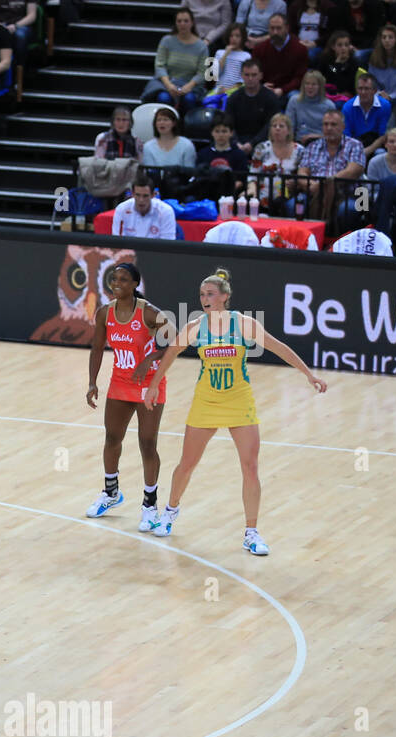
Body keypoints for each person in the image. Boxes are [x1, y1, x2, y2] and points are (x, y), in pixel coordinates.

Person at [144, 268, 327, 555]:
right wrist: (154, 384)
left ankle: (251, 533)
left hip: (239, 402)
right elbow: (171, 353)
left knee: (250, 466)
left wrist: (308, 374)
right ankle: (170, 511)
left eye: (210, 294)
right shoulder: (195, 327)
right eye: (202, 294)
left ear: (225, 297)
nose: (205, 299)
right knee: (187, 464)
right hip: (206, 401)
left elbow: (280, 348)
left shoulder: (243, 324)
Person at [84, 263, 171, 531]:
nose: (117, 282)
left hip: (149, 384)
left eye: (123, 279)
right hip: (121, 383)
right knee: (112, 438)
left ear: (135, 284)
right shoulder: (104, 313)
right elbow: (97, 348)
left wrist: (151, 359)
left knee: (147, 442)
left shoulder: (148, 312)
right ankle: (111, 493)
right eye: (114, 278)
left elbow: (174, 338)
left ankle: (150, 505)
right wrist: (91, 382)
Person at [299, 107, 365, 219]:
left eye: (333, 124)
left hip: (350, 194)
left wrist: (323, 184)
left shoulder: (355, 145)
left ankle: (319, 228)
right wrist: (312, 186)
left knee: (348, 209)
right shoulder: (312, 146)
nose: (329, 128)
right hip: (313, 191)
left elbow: (352, 172)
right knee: (293, 204)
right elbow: (302, 172)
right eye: (325, 124)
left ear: (343, 127)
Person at [140, 7, 209, 113]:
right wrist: (168, 85)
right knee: (164, 98)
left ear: (192, 23)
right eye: (179, 21)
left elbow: (203, 72)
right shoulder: (166, 41)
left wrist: (189, 86)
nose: (182, 24)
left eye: (186, 21)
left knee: (189, 99)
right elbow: (159, 65)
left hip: (191, 86)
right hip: (167, 83)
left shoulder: (202, 46)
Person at [252, 112, 307, 212]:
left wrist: (296, 183)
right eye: (274, 126)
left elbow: (304, 175)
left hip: (290, 196)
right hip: (263, 196)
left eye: (281, 126)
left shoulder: (300, 150)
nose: (277, 128)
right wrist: (252, 189)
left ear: (289, 131)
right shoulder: (261, 148)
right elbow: (252, 174)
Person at [250, 14, 309, 101]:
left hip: (290, 91)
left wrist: (282, 90)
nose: (275, 32)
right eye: (272, 28)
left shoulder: (300, 49)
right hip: (265, 89)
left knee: (295, 98)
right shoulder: (259, 49)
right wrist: (261, 86)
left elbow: (300, 77)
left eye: (279, 28)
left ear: (287, 28)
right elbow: (254, 73)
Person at [227, 59, 279, 151]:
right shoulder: (233, 98)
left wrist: (253, 143)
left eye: (254, 75)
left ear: (261, 76)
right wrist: (236, 143)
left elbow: (270, 125)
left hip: (263, 142)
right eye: (247, 75)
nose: (250, 78)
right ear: (241, 76)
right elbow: (229, 123)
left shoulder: (271, 98)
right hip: (238, 141)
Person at [111, 173, 178, 238]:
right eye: (137, 195)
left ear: (153, 195)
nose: (141, 200)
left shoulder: (166, 211)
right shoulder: (122, 209)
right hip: (128, 249)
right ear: (132, 194)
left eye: (145, 196)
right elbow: (116, 241)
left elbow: (167, 245)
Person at [343, 72, 393, 154]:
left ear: (375, 90)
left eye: (366, 89)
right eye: (360, 88)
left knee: (380, 153)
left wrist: (367, 151)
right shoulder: (348, 107)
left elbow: (383, 135)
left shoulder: (385, 105)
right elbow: (346, 135)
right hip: (354, 145)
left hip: (376, 145)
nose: (363, 92)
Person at [141, 106, 197, 170]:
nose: (162, 123)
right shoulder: (148, 146)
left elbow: (189, 170)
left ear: (174, 123)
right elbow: (150, 171)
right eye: (159, 120)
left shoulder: (186, 144)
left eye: (165, 120)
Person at [365, 126, 396, 199]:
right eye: (391, 141)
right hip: (379, 201)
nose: (395, 145)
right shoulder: (374, 162)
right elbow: (372, 190)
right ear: (386, 144)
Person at [368, 23, 396, 101]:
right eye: (384, 37)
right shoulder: (375, 58)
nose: (387, 40)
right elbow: (372, 83)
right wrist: (379, 94)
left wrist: (391, 96)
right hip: (380, 98)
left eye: (390, 37)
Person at [285, 68, 332, 142]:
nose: (310, 87)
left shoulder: (329, 105)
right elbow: (289, 128)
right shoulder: (294, 101)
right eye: (307, 84)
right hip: (299, 143)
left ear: (320, 87)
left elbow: (333, 134)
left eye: (314, 84)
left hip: (322, 143)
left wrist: (317, 137)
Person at [210, 23, 252, 95]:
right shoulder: (220, 52)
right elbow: (214, 75)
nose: (234, 38)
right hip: (218, 90)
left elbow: (243, 81)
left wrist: (227, 90)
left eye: (237, 36)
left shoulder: (246, 56)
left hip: (236, 92)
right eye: (231, 36)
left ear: (243, 38)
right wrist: (225, 54)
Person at [320, 30, 361, 102]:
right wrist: (338, 64)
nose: (343, 48)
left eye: (346, 45)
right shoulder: (327, 61)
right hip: (328, 94)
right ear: (333, 46)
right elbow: (330, 78)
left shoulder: (353, 63)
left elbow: (347, 85)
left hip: (345, 97)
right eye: (340, 45)